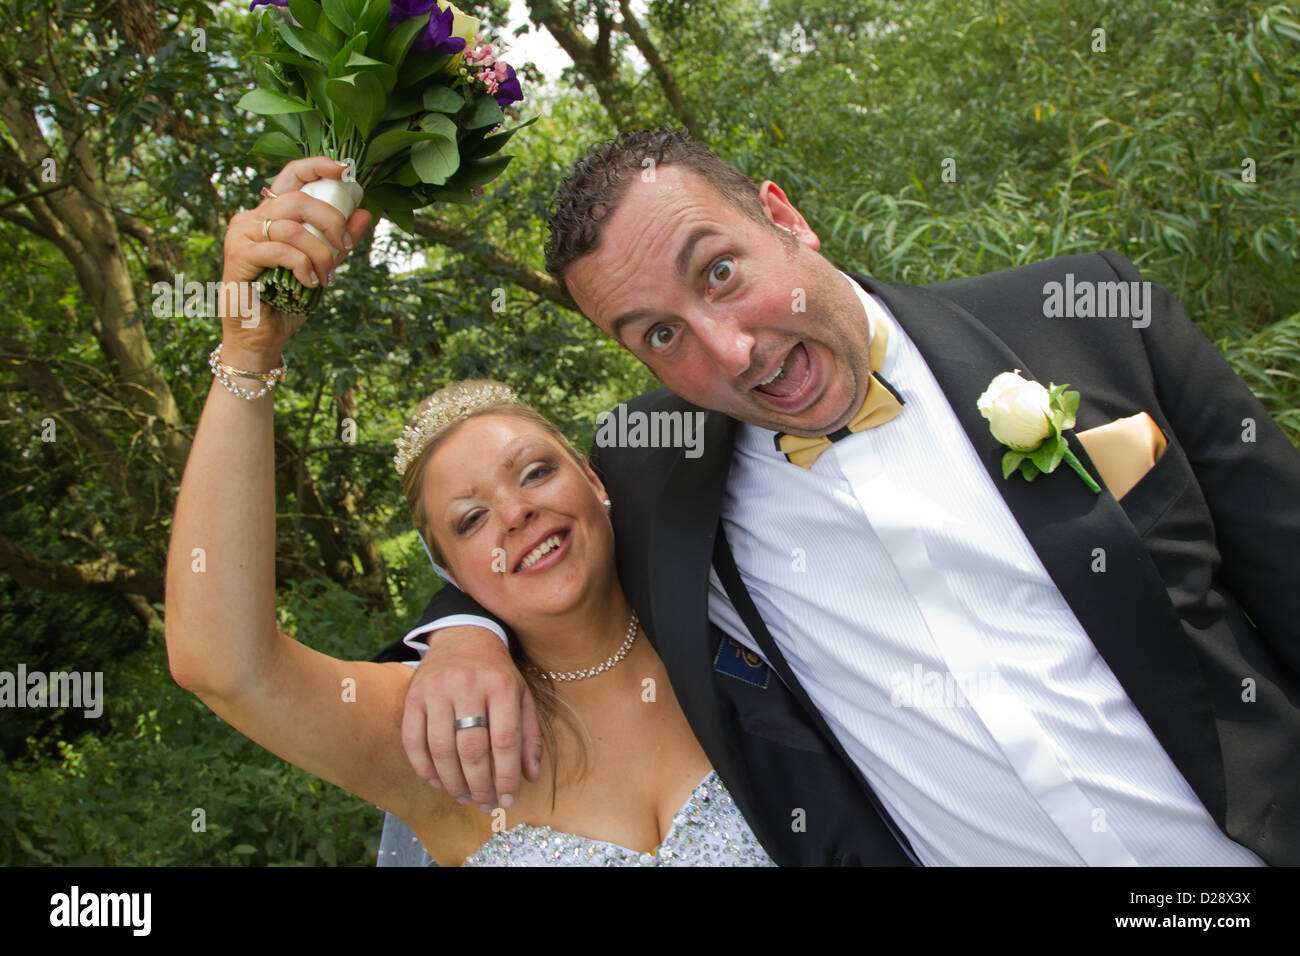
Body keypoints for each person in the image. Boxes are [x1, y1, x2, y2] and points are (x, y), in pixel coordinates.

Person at [387, 129, 1300, 867]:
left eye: (719, 273)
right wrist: (464, 634)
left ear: (786, 218)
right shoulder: (650, 463)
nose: (730, 351)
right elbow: (525, 533)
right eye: (662, 334)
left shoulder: (1086, 317)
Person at [164, 156, 778, 866]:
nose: (515, 513)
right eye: (470, 520)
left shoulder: (734, 620)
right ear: (450, 573)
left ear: (594, 478)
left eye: (536, 472)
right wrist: (249, 350)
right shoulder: (441, 735)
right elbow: (223, 664)